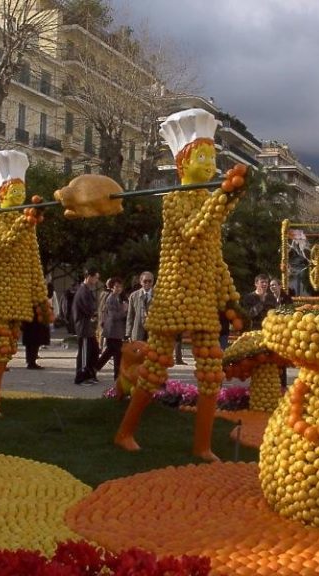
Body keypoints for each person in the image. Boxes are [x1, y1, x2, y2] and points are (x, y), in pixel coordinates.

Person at [115, 108, 248, 461]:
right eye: (202, 157)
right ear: (182, 163)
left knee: (211, 374)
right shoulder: (173, 200)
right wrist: (224, 198)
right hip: (174, 297)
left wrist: (229, 298)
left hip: (202, 301)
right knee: (154, 369)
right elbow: (192, 230)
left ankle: (202, 445)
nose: (210, 165)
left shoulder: (209, 202)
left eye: (212, 158)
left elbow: (213, 257)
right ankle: (125, 432)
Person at [0, 150, 51, 415]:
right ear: (1, 194)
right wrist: (25, 221)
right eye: (14, 191)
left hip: (18, 298)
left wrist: (41, 299)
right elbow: (4, 243)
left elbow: (34, 263)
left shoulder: (28, 226)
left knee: (9, 348)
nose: (19, 196)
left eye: (22, 191)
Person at [95, 277, 128, 383]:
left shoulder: (118, 297)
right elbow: (113, 316)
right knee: (117, 353)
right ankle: (117, 377)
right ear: (112, 287)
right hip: (112, 330)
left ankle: (95, 368)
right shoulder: (111, 298)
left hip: (116, 330)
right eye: (116, 287)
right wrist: (124, 310)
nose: (118, 289)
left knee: (110, 352)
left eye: (120, 287)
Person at [73, 268, 100, 385]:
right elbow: (88, 308)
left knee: (94, 350)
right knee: (84, 353)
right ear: (89, 276)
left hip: (89, 328)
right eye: (96, 277)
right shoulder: (83, 290)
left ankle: (90, 374)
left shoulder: (88, 290)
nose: (96, 280)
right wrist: (95, 313)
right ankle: (81, 377)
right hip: (83, 327)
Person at [125, 271, 154, 341]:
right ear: (141, 282)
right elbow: (130, 316)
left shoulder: (159, 295)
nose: (147, 283)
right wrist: (128, 333)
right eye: (145, 281)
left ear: (153, 282)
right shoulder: (133, 295)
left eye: (150, 281)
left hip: (153, 332)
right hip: (138, 331)